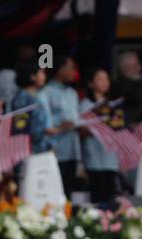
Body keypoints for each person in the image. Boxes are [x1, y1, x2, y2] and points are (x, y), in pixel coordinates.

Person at [40, 55, 80, 194]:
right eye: (71, 68)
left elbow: (77, 118)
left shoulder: (72, 93)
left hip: (72, 151)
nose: (73, 72)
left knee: (69, 192)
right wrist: (61, 125)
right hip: (56, 151)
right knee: (54, 192)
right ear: (60, 70)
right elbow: (44, 121)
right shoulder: (46, 92)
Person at [80, 67, 120, 204]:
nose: (104, 82)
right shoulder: (85, 105)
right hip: (94, 159)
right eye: (99, 79)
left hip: (111, 159)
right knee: (97, 199)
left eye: (106, 79)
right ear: (90, 83)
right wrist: (99, 125)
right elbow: (81, 132)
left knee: (111, 199)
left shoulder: (112, 105)